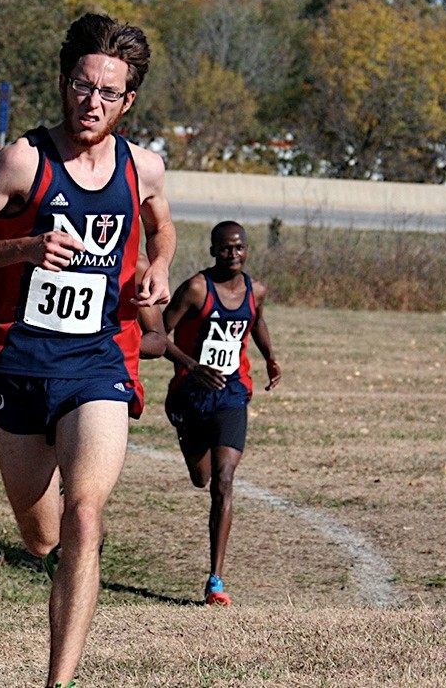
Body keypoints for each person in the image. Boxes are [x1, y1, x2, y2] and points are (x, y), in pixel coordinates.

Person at [0, 13, 175, 688]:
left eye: (107, 92)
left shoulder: (144, 167)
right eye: (81, 85)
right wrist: (25, 246)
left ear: (128, 101)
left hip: (98, 359)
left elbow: (163, 229)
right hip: (22, 360)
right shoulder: (23, 161)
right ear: (65, 83)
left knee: (84, 515)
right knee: (43, 537)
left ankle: (57, 683)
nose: (90, 102)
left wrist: (158, 265)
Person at [162, 221, 280, 606]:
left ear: (247, 250)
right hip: (191, 395)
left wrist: (270, 359)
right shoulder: (197, 289)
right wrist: (191, 366)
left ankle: (215, 581)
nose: (234, 255)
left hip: (232, 393)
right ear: (214, 251)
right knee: (202, 477)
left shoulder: (255, 289)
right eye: (226, 249)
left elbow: (256, 318)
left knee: (224, 481)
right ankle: (190, 439)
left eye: (240, 248)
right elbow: (157, 335)